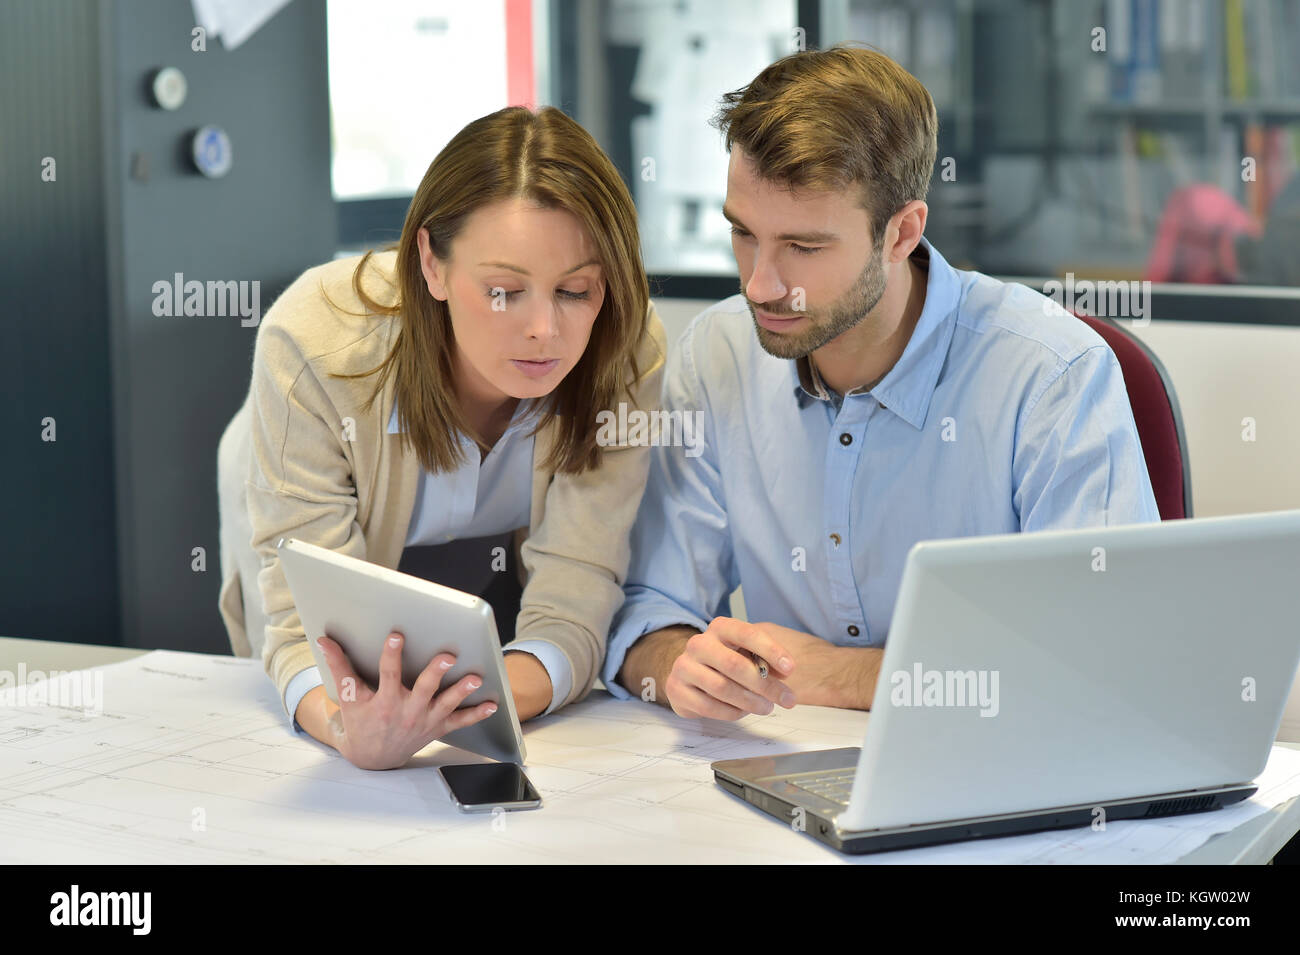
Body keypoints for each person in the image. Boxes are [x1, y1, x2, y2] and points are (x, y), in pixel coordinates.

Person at [604, 45, 1159, 721]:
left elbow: (1102, 660)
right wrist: (678, 663)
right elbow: (652, 609)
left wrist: (840, 675)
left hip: (998, 780)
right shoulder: (715, 356)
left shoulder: (1051, 375)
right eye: (744, 233)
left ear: (901, 233)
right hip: (785, 783)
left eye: (803, 247)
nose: (759, 284)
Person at [217, 106, 665, 769]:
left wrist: (469, 709)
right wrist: (352, 729)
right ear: (430, 262)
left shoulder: (622, 353)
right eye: (504, 290)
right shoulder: (313, 346)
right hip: (308, 507)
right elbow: (299, 628)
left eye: (575, 290)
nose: (545, 328)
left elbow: (577, 591)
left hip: (490, 579)